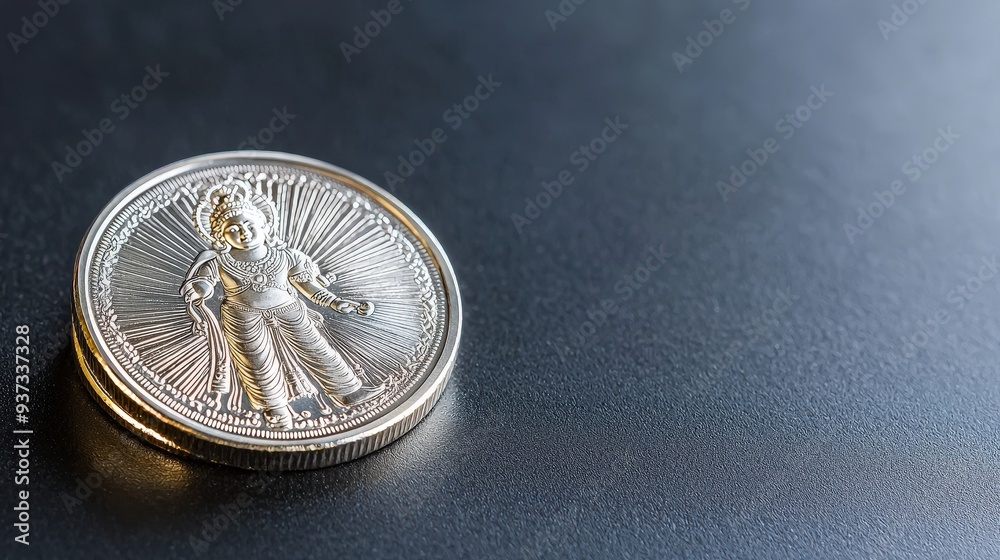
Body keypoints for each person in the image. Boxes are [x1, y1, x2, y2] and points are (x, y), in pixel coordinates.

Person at [181, 181, 382, 429]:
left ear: (264, 226)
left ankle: (348, 391)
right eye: (233, 229)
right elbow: (205, 281)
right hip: (242, 317)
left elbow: (310, 288)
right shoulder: (220, 261)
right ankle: (274, 407)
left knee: (318, 349)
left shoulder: (287, 257)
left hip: (290, 310)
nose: (243, 232)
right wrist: (200, 289)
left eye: (249, 225)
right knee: (256, 361)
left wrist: (337, 302)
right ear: (221, 236)